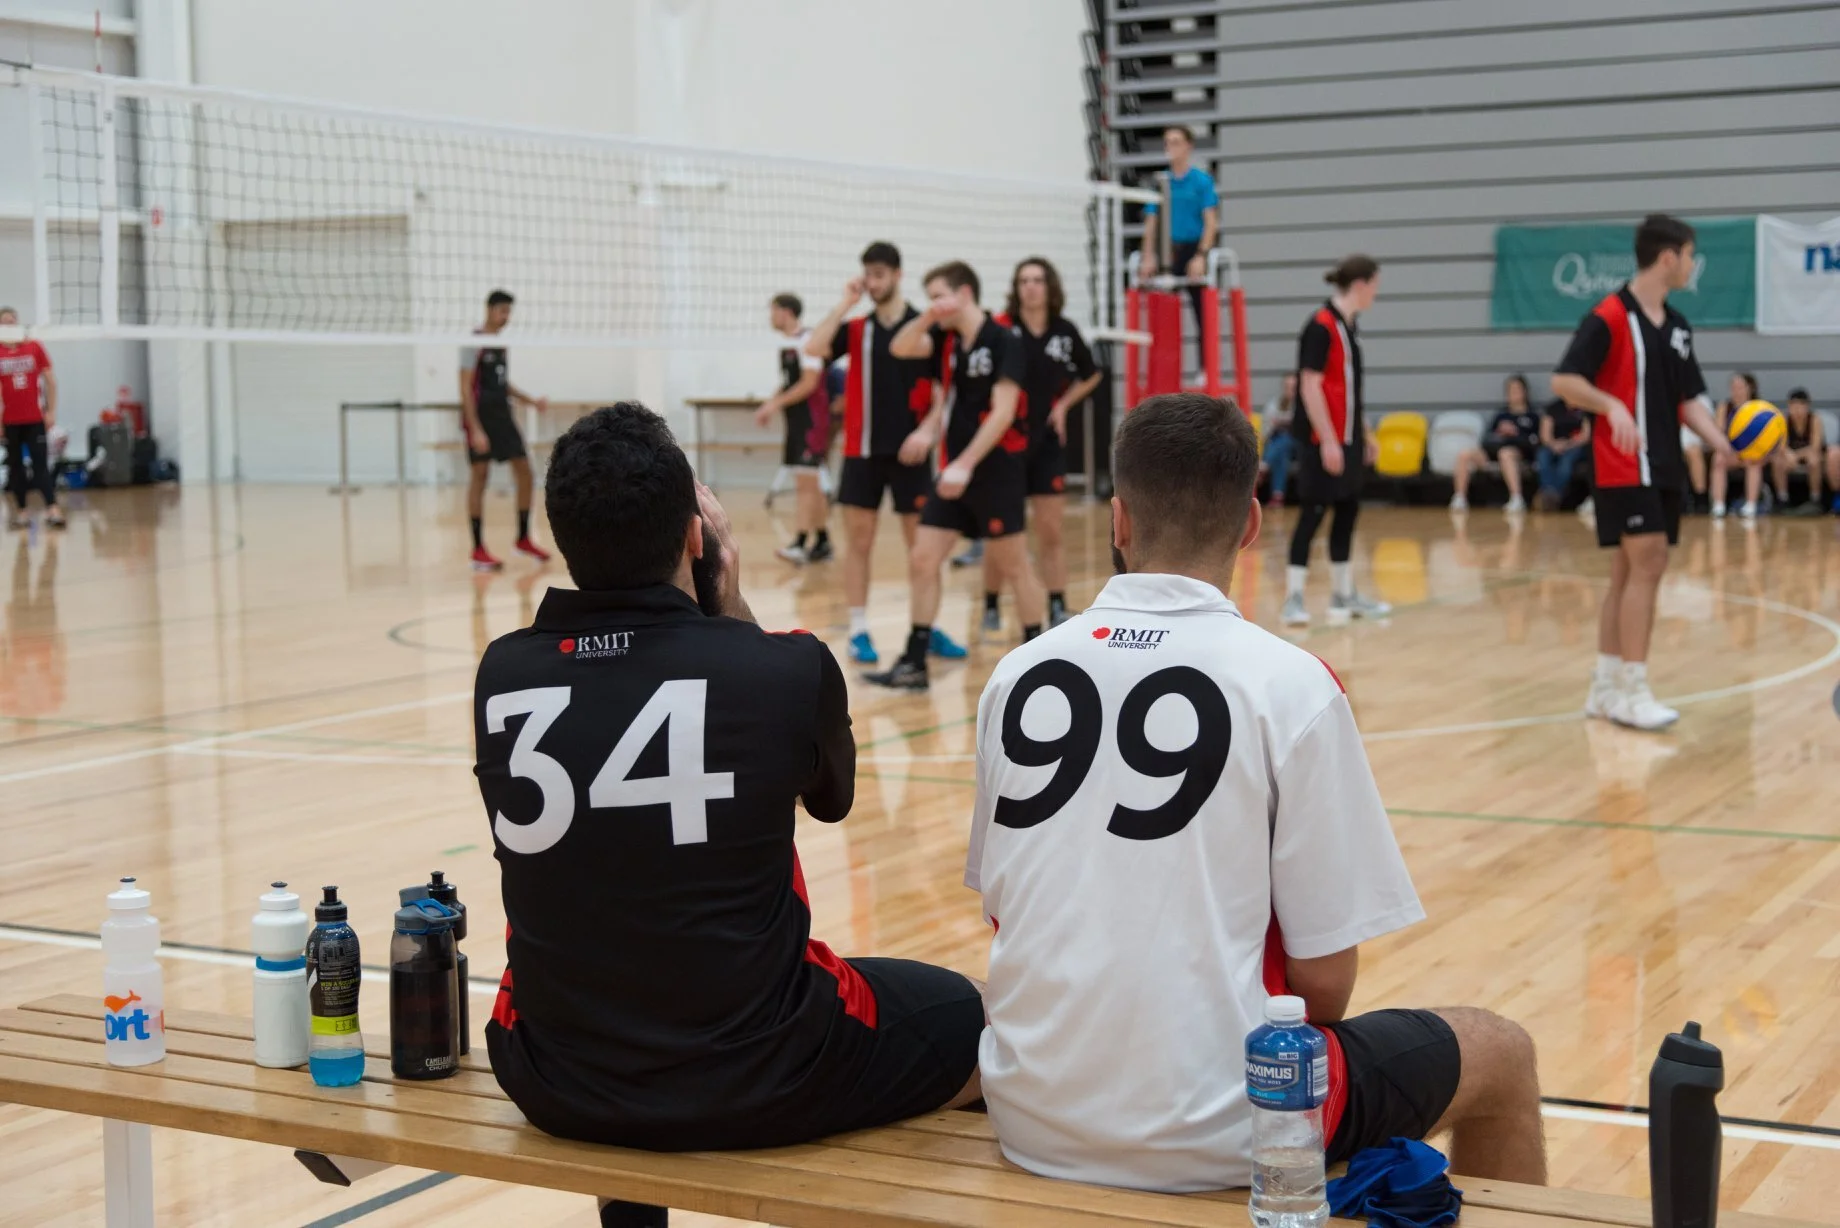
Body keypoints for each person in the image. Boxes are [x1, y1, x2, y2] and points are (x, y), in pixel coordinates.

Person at [967, 392, 1547, 1193]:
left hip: (1028, 1113)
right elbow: (1325, 988)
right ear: (1250, 524)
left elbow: (1002, 910)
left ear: (1118, 521)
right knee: (1502, 1051)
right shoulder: (1292, 684)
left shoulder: (1014, 675)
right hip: (1229, 1127)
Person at [477, 404, 985, 1228]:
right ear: (696, 536)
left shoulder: (502, 676)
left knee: (618, 948)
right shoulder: (782, 669)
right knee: (987, 1021)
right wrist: (733, 603)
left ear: (565, 542)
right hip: (766, 1068)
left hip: (552, 1074)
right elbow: (833, 799)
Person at [1552, 214, 1733, 732]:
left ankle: (1605, 686)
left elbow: (1688, 400)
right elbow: (1565, 380)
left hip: (1665, 464)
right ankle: (1634, 690)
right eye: (1690, 255)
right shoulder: (1608, 316)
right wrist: (1611, 405)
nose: (1693, 265)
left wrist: (1723, 445)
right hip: (1623, 464)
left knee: (1627, 573)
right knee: (1649, 563)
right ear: (1668, 257)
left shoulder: (1677, 326)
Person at [865, 261, 1047, 690]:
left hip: (995, 470)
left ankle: (1040, 660)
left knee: (1014, 565)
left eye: (938, 296)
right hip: (954, 473)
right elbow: (899, 347)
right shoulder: (946, 342)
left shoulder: (1003, 339)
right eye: (928, 298)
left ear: (964, 293)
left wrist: (965, 463)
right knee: (923, 557)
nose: (932, 304)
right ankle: (915, 662)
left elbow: (1003, 413)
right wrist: (928, 316)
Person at [805, 242, 966, 665]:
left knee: (922, 548)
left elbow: (945, 391)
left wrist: (927, 432)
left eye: (880, 275)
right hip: (862, 452)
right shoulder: (858, 328)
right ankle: (859, 630)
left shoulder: (926, 326)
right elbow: (814, 349)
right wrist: (845, 303)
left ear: (897, 275)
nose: (873, 283)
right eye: (868, 275)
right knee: (859, 543)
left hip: (911, 454)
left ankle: (927, 626)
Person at [980, 258, 1103, 632]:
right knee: (1003, 532)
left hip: (1046, 444)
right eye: (1023, 280)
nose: (1030, 287)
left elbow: (1092, 373)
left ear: (1049, 287)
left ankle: (1057, 604)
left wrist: (1063, 405)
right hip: (1006, 444)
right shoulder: (1002, 329)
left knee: (1051, 531)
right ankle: (990, 602)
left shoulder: (1064, 331)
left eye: (1037, 280)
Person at [1281, 256, 1390, 628]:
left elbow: (1348, 391)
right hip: (1321, 439)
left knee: (1347, 510)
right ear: (1360, 285)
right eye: (1374, 286)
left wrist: (1365, 434)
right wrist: (1328, 440)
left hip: (1348, 437)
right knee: (1312, 513)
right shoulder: (1320, 326)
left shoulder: (1349, 326)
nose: (1375, 294)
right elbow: (1310, 385)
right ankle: (1293, 598)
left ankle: (1344, 594)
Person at [460, 289, 549, 571]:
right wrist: (475, 428)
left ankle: (523, 538)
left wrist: (530, 401)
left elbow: (502, 384)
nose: (506, 317)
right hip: (480, 417)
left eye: (509, 312)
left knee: (525, 472)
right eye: (502, 311)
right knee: (480, 476)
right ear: (489, 309)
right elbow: (465, 387)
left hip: (502, 416)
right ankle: (478, 549)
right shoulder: (473, 342)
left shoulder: (500, 343)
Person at [754, 293, 833, 562]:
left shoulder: (808, 341)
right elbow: (790, 382)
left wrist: (775, 405)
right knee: (811, 483)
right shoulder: (788, 344)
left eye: (773, 310)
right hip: (797, 421)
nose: (770, 316)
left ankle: (800, 543)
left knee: (805, 484)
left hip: (812, 422)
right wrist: (770, 404)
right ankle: (822, 541)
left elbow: (809, 383)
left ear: (786, 312)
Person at [1136, 124, 1220, 354]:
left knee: (1203, 313)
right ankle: (1166, 365)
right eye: (1167, 143)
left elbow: (1211, 223)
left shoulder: (1201, 181)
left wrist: (1201, 256)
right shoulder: (1161, 182)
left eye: (1175, 142)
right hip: (1169, 250)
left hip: (1193, 248)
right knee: (1163, 311)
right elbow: (1151, 222)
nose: (1170, 148)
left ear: (1188, 146)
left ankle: (1205, 366)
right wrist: (1147, 256)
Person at [0, 308, 64, 530]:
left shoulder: (34, 346)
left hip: (35, 418)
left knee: (40, 464)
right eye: (4, 322)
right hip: (10, 420)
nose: (9, 325)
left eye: (12, 321)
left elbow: (50, 380)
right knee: (15, 466)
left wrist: (51, 411)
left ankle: (52, 509)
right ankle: (22, 512)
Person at [1450, 375, 1541, 513]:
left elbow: (1534, 442)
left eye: (1517, 389)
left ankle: (1516, 498)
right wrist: (1499, 433)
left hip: (1517, 454)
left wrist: (1515, 434)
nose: (1514, 393)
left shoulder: (1532, 416)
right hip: (1493, 452)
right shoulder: (1501, 415)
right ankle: (1459, 497)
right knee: (1464, 454)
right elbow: (1487, 438)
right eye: (1510, 390)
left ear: (1525, 392)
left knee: (1505, 454)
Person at [1707, 372, 1761, 521]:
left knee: (1753, 461)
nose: (1736, 391)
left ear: (1750, 388)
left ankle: (1751, 505)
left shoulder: (1758, 408)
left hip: (1753, 452)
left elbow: (1761, 437)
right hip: (1730, 451)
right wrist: (1730, 450)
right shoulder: (1724, 407)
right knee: (1718, 459)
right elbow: (1719, 433)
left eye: (1740, 387)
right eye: (1733, 387)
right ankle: (1718, 505)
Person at [1772, 388, 1828, 517]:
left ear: (1807, 406)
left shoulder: (1815, 420)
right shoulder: (1783, 420)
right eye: (1793, 406)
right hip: (1790, 458)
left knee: (1814, 460)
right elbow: (1780, 445)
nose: (1797, 410)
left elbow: (1815, 446)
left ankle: (1815, 499)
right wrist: (1788, 454)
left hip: (1809, 455)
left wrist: (1795, 456)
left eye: (1800, 406)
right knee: (1777, 460)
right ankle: (1782, 498)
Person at [1534, 395, 1592, 512]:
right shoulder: (1553, 407)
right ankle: (1549, 492)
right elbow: (1545, 435)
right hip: (1554, 444)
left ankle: (1552, 496)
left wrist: (1568, 444)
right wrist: (1554, 444)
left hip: (1575, 445)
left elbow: (1585, 435)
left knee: (1567, 461)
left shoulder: (1585, 406)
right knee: (1543, 456)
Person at [1259, 372, 1297, 506]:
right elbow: (1266, 429)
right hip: (1278, 443)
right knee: (1282, 452)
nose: (1290, 391)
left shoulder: (1305, 405)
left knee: (1286, 438)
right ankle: (1277, 496)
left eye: (1293, 387)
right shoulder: (1275, 404)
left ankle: (1264, 464)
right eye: (1287, 387)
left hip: (1298, 447)